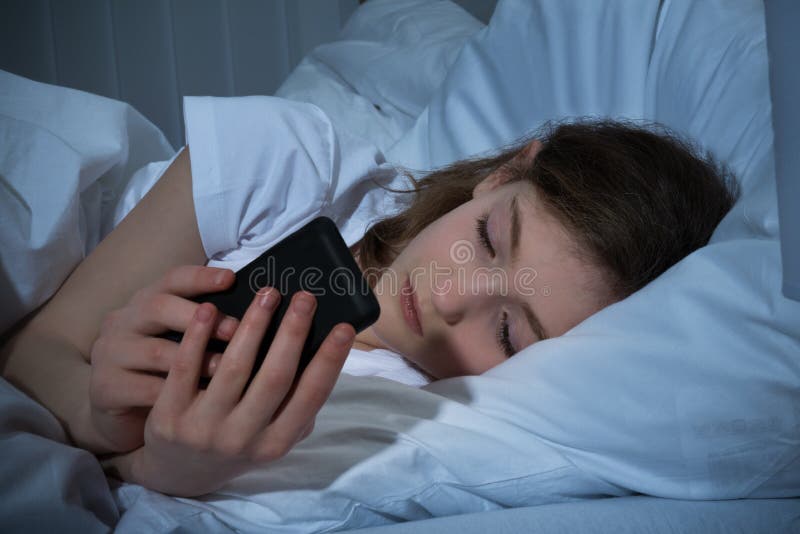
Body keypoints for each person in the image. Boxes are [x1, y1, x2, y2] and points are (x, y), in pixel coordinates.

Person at [0, 115, 739, 497]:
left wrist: (153, 463)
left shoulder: (426, 420)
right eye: (487, 239)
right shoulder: (291, 163)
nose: (449, 297)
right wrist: (99, 414)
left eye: (510, 331)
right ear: (504, 173)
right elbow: (32, 351)